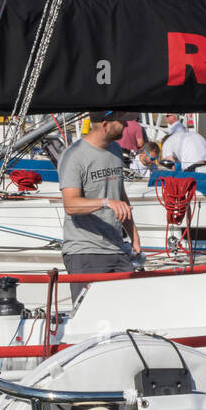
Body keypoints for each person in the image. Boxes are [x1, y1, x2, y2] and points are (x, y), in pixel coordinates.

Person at [58, 110, 143, 298]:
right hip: (85, 251)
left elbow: (120, 196)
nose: (127, 125)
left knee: (128, 310)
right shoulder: (74, 156)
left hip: (117, 248)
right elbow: (70, 204)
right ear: (105, 125)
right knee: (90, 317)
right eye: (122, 121)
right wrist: (105, 202)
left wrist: (134, 237)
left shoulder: (115, 150)